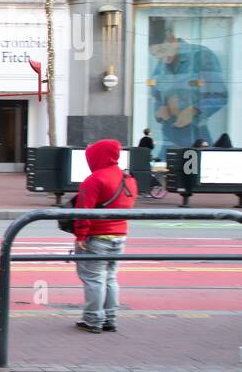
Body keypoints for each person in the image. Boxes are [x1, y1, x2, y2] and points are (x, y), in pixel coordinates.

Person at [73, 138, 137, 333]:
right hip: (120, 235)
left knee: (94, 279)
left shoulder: (95, 179)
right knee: (110, 278)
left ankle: (93, 320)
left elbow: (84, 210)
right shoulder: (129, 179)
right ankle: (110, 318)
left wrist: (81, 235)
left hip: (97, 236)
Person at [148, 25, 226, 152]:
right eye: (156, 55)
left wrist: (194, 110)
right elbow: (155, 93)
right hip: (168, 139)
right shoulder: (162, 63)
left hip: (195, 138)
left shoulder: (202, 56)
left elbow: (220, 95)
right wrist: (160, 109)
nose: (161, 58)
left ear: (171, 38)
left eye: (162, 51)